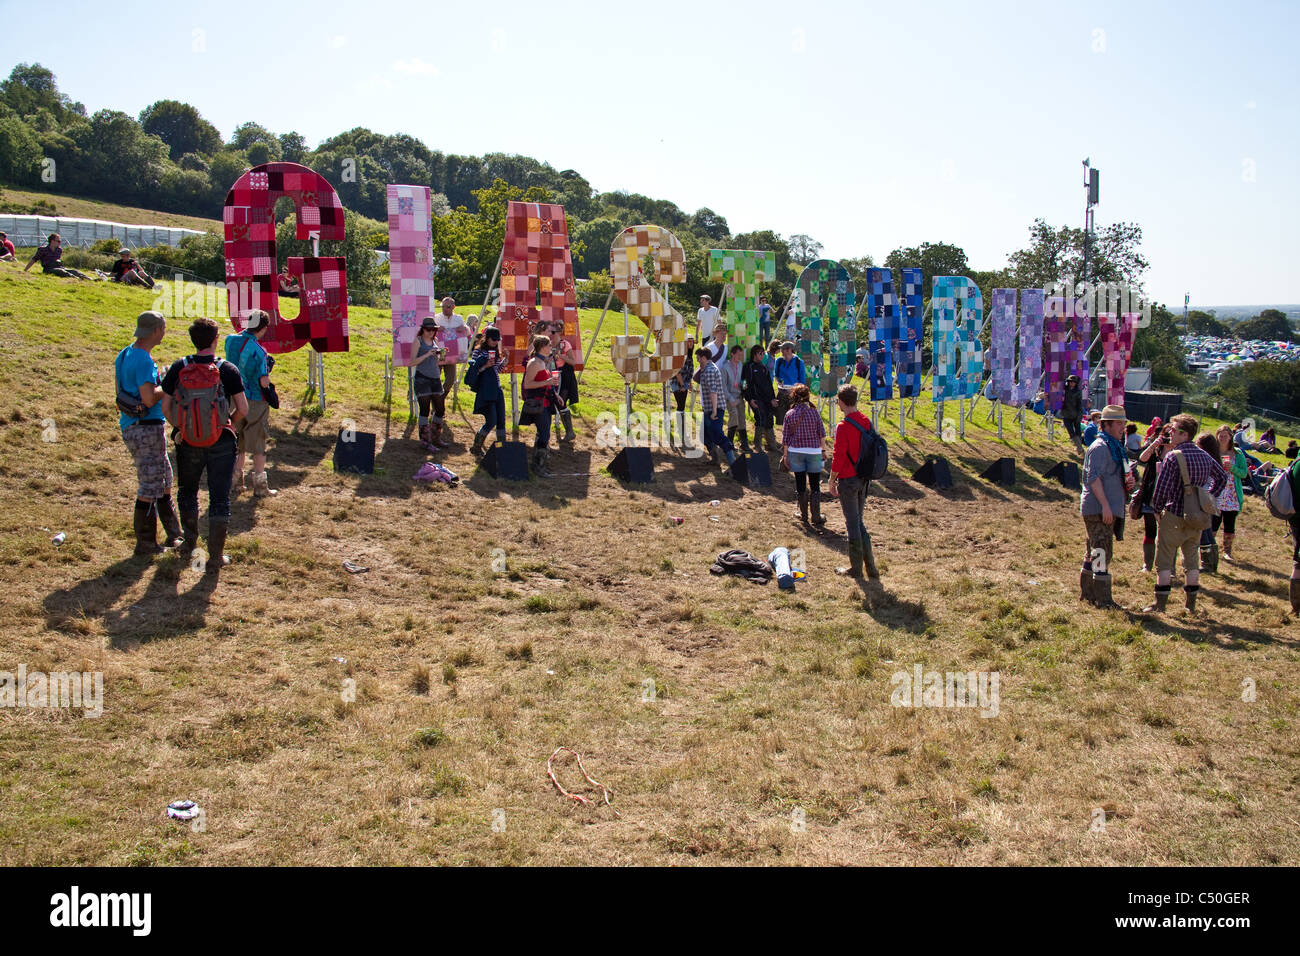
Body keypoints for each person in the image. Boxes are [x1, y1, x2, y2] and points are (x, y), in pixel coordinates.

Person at [160, 317, 249, 579]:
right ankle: (216, 555)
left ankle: (189, 543)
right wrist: (228, 424)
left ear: (193, 340)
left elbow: (165, 407)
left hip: (188, 441)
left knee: (187, 491)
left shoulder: (179, 367)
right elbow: (243, 408)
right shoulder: (227, 369)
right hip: (221, 440)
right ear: (215, 339)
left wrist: (181, 427)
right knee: (219, 497)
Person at [115, 310, 183, 556]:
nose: (164, 333)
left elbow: (122, 392)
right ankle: (145, 543)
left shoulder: (124, 354)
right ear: (155, 331)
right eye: (163, 328)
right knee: (150, 484)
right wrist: (166, 384)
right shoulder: (143, 360)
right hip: (145, 429)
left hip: (132, 425)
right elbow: (147, 397)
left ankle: (174, 534)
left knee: (164, 478)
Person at [1144, 413, 1227, 614]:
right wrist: (1206, 499)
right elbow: (1222, 477)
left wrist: (1157, 510)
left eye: (1174, 430)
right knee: (1192, 562)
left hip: (1173, 513)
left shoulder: (1173, 456)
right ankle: (1190, 605)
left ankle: (1160, 604)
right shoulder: (1205, 456)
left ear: (1185, 434)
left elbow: (1161, 489)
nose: (1170, 433)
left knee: (1164, 562)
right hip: (1196, 516)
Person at [1079, 405, 1133, 608]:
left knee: (1094, 550)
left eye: (1124, 423)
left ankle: (1089, 594)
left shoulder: (1115, 446)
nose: (1123, 427)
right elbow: (1093, 479)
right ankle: (1102, 599)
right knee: (1101, 551)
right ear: (1107, 424)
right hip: (1099, 508)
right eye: (1119, 423)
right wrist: (1105, 506)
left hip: (1106, 507)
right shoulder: (1101, 447)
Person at [224, 310, 278, 498]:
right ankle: (260, 486)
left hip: (233, 397)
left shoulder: (229, 340)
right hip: (255, 399)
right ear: (263, 328)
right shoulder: (259, 351)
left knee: (237, 441)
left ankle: (236, 482)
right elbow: (263, 381)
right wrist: (270, 388)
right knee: (258, 444)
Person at [828, 384, 878, 579]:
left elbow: (838, 456)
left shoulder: (843, 426)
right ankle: (871, 567)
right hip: (863, 477)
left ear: (841, 401)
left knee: (852, 523)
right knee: (858, 520)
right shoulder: (866, 421)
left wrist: (832, 479)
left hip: (848, 479)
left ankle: (856, 569)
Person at [781, 384, 827, 527]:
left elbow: (785, 438)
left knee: (800, 483)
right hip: (813, 451)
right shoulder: (814, 412)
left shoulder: (789, 414)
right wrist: (823, 451)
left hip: (796, 451)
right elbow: (822, 433)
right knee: (815, 484)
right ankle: (816, 516)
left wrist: (785, 455)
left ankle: (803, 514)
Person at [1134, 423, 1173, 572]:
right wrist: (1153, 445)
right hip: (1151, 496)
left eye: (1172, 435)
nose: (1169, 438)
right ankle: (1148, 564)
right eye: (1166, 435)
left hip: (1169, 499)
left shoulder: (1178, 453)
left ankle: (1167, 567)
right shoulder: (1156, 451)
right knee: (1150, 531)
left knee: (1169, 534)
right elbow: (1142, 459)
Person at [519, 335, 559, 477]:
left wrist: (556, 394)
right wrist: (547, 382)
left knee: (545, 433)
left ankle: (538, 464)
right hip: (537, 403)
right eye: (549, 345)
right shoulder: (534, 363)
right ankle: (537, 466)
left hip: (546, 402)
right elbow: (528, 384)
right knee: (544, 434)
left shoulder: (543, 362)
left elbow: (546, 383)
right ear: (542, 347)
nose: (550, 348)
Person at [467, 326, 507, 457]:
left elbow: (498, 370)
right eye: (493, 339)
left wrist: (505, 359)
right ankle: (476, 447)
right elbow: (473, 373)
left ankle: (502, 447)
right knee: (491, 421)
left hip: (497, 388)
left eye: (497, 340)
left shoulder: (495, 351)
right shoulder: (478, 352)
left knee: (501, 420)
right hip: (485, 390)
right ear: (487, 338)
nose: (496, 342)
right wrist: (484, 366)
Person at [411, 317, 450, 449]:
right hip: (422, 378)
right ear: (423, 329)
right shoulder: (418, 341)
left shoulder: (436, 341)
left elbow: (437, 360)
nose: (431, 332)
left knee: (440, 409)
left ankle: (435, 437)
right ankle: (426, 441)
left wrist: (440, 354)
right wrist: (427, 354)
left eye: (433, 329)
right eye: (428, 329)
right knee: (425, 410)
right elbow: (412, 362)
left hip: (435, 378)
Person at [696, 346, 736, 471]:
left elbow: (713, 392)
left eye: (698, 358)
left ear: (703, 357)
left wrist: (714, 411)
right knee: (705, 434)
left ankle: (733, 463)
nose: (697, 361)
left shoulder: (708, 371)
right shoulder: (710, 368)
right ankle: (715, 459)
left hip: (715, 409)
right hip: (712, 408)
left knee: (717, 434)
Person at [1214, 424, 1247, 562]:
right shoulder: (1213, 452)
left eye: (1225, 436)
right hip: (1216, 493)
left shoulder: (1237, 454)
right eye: (1220, 436)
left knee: (1229, 525)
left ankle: (1227, 551)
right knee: (1212, 524)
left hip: (1232, 494)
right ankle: (1208, 548)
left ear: (1230, 437)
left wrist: (1232, 468)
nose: (1222, 438)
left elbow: (1244, 473)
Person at [545, 320, 579, 443]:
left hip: (564, 376)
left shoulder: (565, 344)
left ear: (558, 333)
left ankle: (570, 432)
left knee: (561, 402)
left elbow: (573, 361)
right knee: (551, 402)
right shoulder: (546, 344)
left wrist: (561, 355)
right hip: (551, 374)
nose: (550, 334)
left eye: (552, 332)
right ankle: (546, 434)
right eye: (550, 332)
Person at [742, 343, 779, 454]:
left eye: (763, 353)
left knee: (769, 418)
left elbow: (769, 385)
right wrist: (749, 399)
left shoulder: (764, 368)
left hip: (767, 399)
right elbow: (744, 383)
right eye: (760, 353)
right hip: (755, 398)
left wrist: (773, 399)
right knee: (760, 418)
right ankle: (757, 445)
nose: (762, 355)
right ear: (754, 354)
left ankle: (772, 445)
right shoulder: (748, 367)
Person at [435, 297, 473, 398]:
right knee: (435, 378)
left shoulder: (458, 319)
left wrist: (464, 328)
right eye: (442, 306)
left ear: (453, 307)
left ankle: (441, 399)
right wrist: (436, 328)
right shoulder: (436, 318)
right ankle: (436, 402)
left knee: (450, 380)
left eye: (447, 306)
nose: (444, 309)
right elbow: (427, 331)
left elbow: (468, 333)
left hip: (452, 354)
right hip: (440, 352)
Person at [720, 344, 749, 455]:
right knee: (734, 415)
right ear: (732, 354)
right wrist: (731, 399)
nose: (739, 357)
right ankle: (729, 442)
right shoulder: (725, 367)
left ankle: (744, 443)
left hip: (739, 395)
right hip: (729, 396)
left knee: (742, 417)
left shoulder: (741, 365)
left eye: (741, 355)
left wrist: (744, 384)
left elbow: (743, 379)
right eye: (738, 355)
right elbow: (723, 386)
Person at [668, 337, 695, 452]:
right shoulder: (681, 355)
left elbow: (690, 371)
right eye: (688, 341)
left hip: (685, 384)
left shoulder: (689, 356)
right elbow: (677, 371)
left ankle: (682, 432)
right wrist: (682, 385)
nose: (691, 343)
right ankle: (682, 433)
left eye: (692, 341)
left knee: (682, 407)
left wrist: (688, 383)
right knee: (680, 407)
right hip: (677, 383)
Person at [23, 233, 91, 280]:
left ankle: (89, 279)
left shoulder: (59, 250)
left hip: (59, 266)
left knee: (75, 271)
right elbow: (34, 259)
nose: (59, 242)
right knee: (61, 271)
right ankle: (77, 279)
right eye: (58, 241)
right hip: (48, 269)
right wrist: (25, 270)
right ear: (52, 241)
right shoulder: (42, 250)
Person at [773, 341, 807, 423]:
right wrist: (778, 381)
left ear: (789, 350)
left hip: (794, 395)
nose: (781, 351)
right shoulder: (779, 361)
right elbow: (776, 375)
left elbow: (802, 381)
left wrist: (797, 387)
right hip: (782, 393)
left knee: (794, 419)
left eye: (782, 349)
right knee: (782, 419)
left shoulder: (799, 362)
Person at [1060, 374, 1084, 453]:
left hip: (1075, 414)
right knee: (1070, 431)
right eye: (1070, 382)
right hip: (1066, 413)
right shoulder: (1064, 389)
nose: (1072, 383)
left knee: (1078, 431)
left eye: (1073, 382)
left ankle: (1079, 447)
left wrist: (1079, 416)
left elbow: (1080, 405)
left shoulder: (1078, 392)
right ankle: (1079, 447)